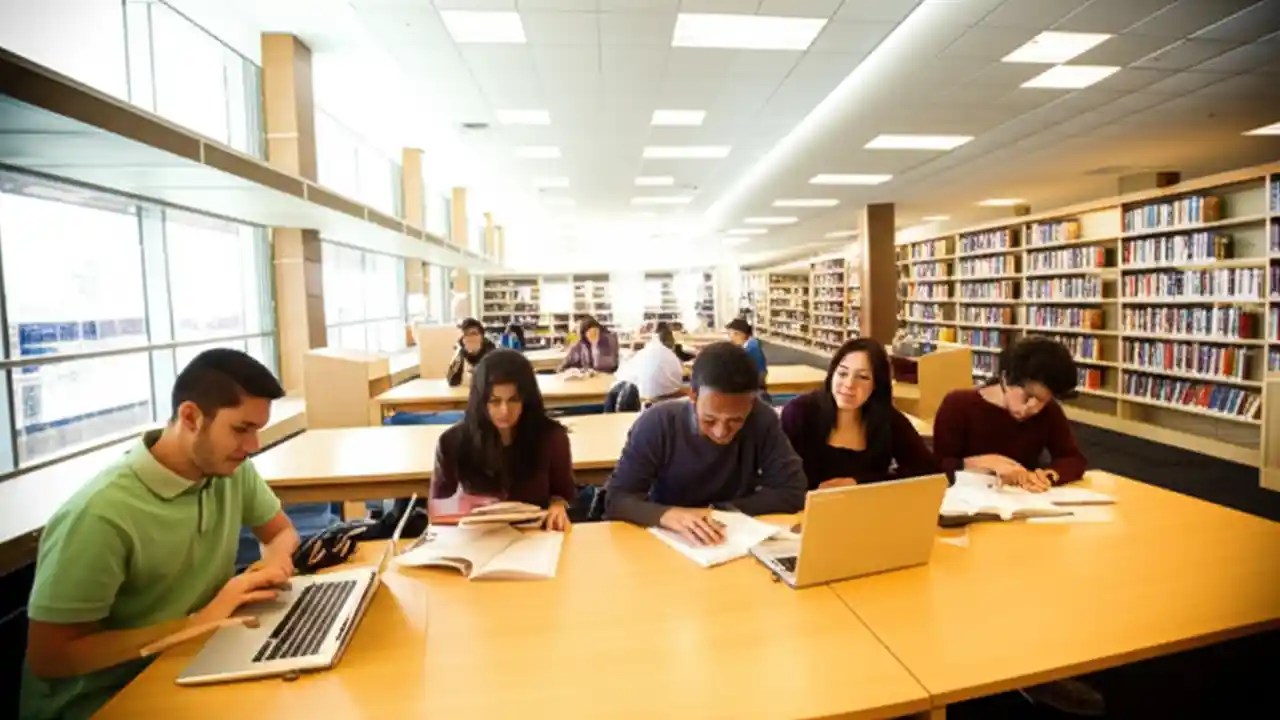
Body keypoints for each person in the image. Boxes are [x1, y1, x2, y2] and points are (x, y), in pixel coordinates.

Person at [20, 349, 299, 720]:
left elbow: (280, 532)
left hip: (190, 660)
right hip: (105, 701)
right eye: (241, 429)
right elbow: (50, 657)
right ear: (190, 417)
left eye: (257, 431)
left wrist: (275, 565)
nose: (252, 447)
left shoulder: (227, 470)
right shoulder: (100, 514)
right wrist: (197, 623)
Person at [605, 342, 807, 546]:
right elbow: (617, 499)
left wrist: (718, 511)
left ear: (751, 402)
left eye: (736, 420)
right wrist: (667, 515)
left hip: (734, 536)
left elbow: (792, 491)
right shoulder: (657, 424)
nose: (721, 432)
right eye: (709, 420)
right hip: (670, 539)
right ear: (692, 396)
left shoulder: (763, 419)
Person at [430, 350, 574, 531]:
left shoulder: (552, 437)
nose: (505, 411)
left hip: (535, 537)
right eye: (494, 401)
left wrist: (559, 505)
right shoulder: (451, 442)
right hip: (476, 540)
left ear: (526, 400)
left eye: (514, 400)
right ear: (480, 401)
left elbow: (564, 494)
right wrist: (461, 506)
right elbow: (436, 511)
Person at [781, 338, 939, 490]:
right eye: (842, 374)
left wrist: (860, 483)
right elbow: (777, 478)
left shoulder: (886, 418)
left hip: (866, 512)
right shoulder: (800, 413)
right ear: (831, 375)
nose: (849, 384)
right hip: (801, 512)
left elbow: (930, 472)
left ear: (877, 384)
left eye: (862, 377)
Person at [933, 336, 1086, 490]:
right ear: (1005, 379)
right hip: (965, 499)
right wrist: (982, 463)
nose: (1032, 408)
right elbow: (937, 467)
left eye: (1042, 400)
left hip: (1022, 500)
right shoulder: (958, 404)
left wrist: (1048, 475)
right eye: (1027, 397)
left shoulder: (1050, 411)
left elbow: (1072, 458)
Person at [613, 322, 686, 404]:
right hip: (669, 401)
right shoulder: (671, 357)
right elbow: (678, 382)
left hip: (643, 401)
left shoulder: (642, 355)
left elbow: (621, 377)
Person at [446, 317, 495, 387]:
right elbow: (452, 382)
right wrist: (459, 355)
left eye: (474, 333)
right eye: (466, 334)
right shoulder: (460, 351)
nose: (470, 338)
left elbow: (492, 380)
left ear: (482, 337)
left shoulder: (491, 352)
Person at [726, 317, 767, 386]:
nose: (730, 338)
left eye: (730, 334)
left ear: (740, 334)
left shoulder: (752, 349)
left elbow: (760, 373)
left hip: (753, 388)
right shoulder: (748, 346)